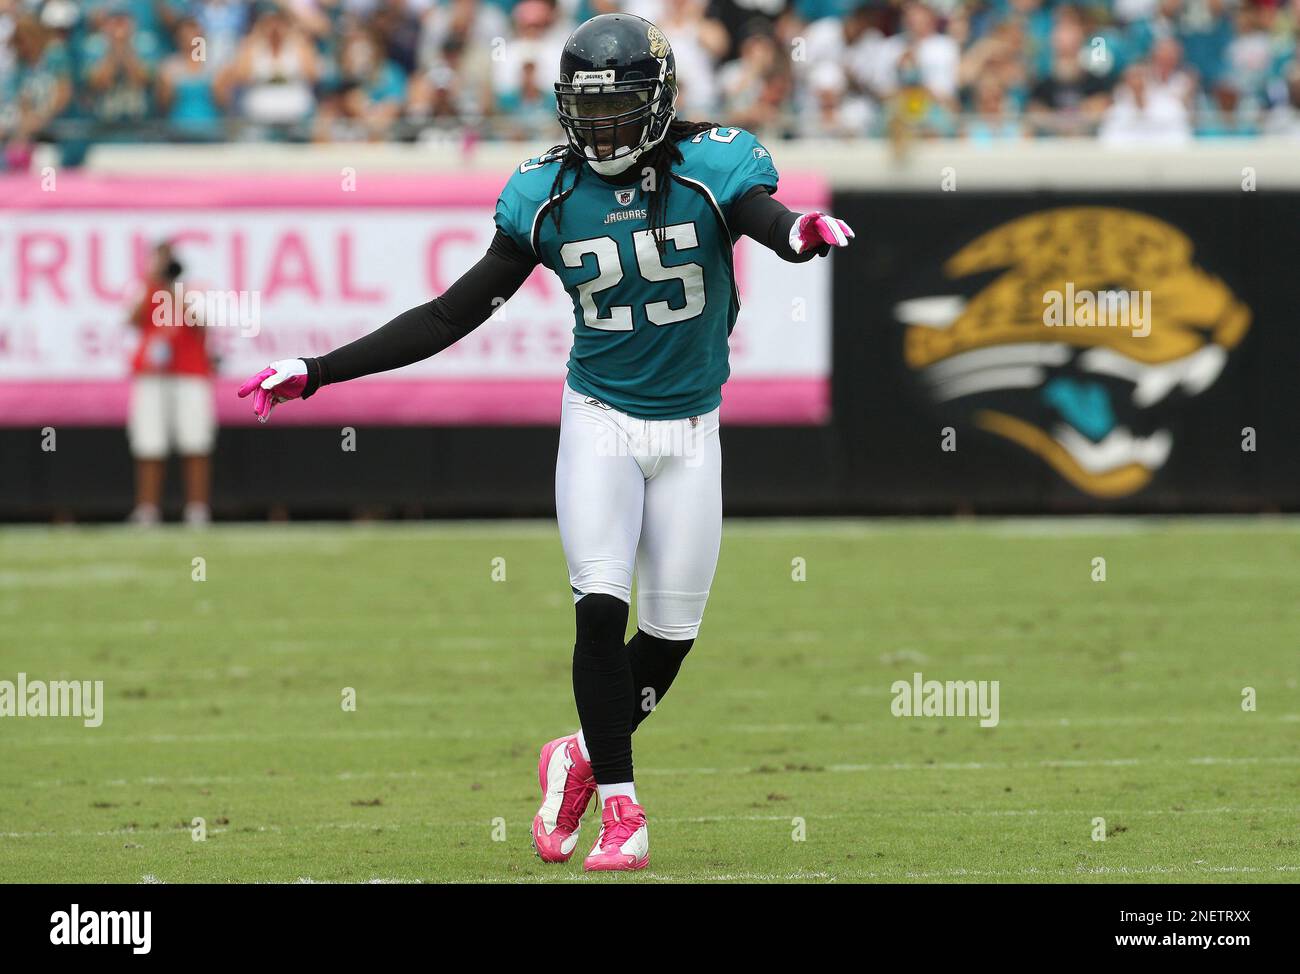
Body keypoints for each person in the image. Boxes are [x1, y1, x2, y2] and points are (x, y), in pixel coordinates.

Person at [237, 13, 853, 872]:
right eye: (585, 110)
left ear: (661, 100)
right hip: (600, 419)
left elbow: (766, 217)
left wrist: (799, 234)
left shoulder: (715, 164)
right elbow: (451, 314)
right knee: (600, 609)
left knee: (670, 638)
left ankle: (578, 756)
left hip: (692, 430)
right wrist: (319, 368)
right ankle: (623, 810)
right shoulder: (547, 194)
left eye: (617, 109)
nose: (599, 129)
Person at [127, 242, 217, 527]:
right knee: (149, 442)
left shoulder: (191, 292)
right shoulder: (143, 289)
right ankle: (148, 510)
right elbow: (132, 319)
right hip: (153, 375)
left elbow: (200, 323)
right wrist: (153, 282)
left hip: (189, 373)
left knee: (196, 441)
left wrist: (174, 292)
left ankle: (197, 510)